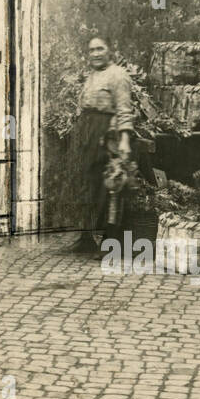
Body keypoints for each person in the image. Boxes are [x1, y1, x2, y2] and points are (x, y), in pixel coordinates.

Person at [71, 37, 135, 253]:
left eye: (100, 49)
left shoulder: (118, 75)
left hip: (108, 135)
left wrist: (124, 139)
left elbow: (124, 109)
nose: (96, 54)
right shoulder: (92, 75)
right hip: (88, 135)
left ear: (110, 50)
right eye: (91, 50)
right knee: (86, 185)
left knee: (110, 186)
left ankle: (111, 243)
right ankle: (86, 237)